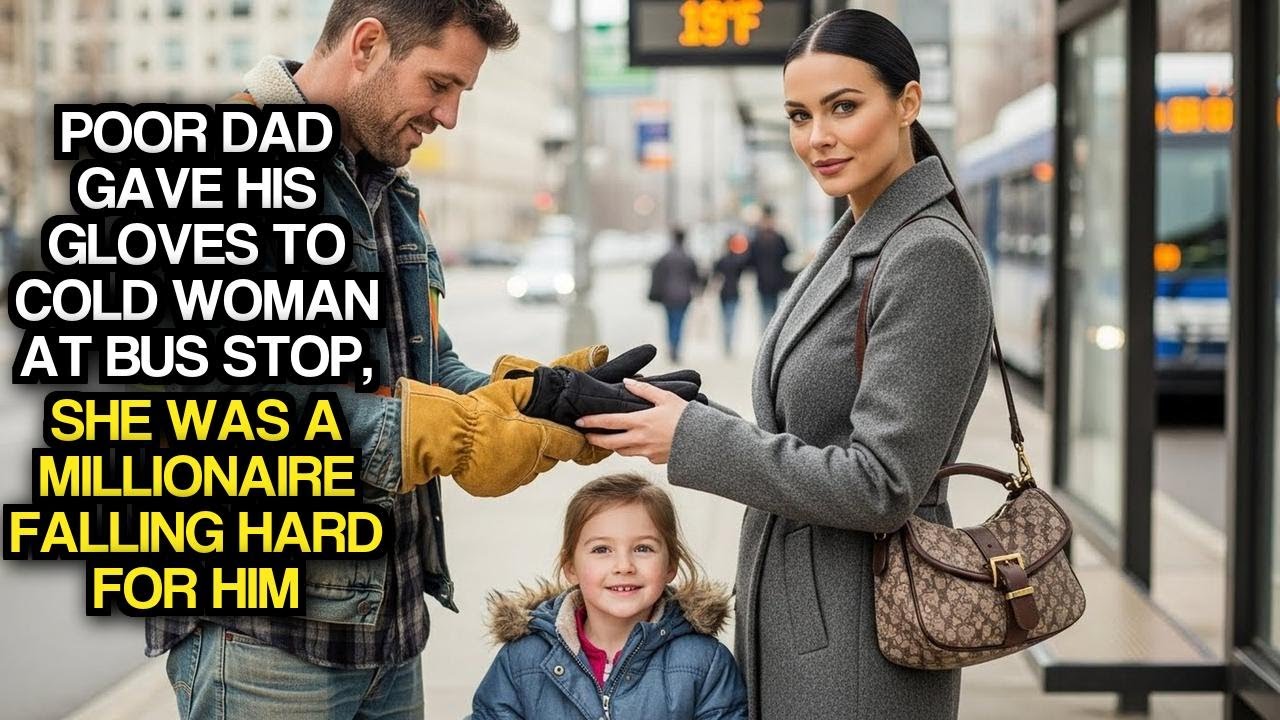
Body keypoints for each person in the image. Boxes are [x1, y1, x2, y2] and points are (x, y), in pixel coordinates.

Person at [146, 3, 669, 718]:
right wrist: (456, 434)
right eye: (439, 85)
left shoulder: (385, 187)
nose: (449, 117)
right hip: (268, 642)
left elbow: (426, 370)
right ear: (367, 45)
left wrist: (534, 397)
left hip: (384, 630)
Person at [578, 9, 994, 720]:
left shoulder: (927, 255)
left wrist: (695, 441)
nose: (817, 138)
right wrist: (676, 415)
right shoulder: (858, 234)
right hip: (815, 621)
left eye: (843, 107)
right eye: (800, 115)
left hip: (865, 640)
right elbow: (810, 435)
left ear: (908, 103)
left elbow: (882, 485)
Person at [471, 473, 748, 720]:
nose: (624, 565)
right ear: (571, 567)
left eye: (643, 548)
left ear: (670, 566)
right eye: (602, 550)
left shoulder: (705, 661)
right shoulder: (522, 659)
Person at [648, 227, 705, 362]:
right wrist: (700, 291)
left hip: (667, 296)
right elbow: (696, 277)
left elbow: (657, 277)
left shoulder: (665, 257)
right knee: (679, 322)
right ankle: (676, 348)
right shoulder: (688, 257)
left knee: (670, 322)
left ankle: (672, 346)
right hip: (683, 296)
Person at [746, 204, 792, 331]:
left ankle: (768, 334)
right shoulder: (776, 237)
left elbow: (750, 261)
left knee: (769, 309)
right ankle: (769, 333)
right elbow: (788, 253)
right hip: (770, 280)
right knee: (769, 310)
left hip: (769, 281)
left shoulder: (759, 239)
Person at [711, 232, 751, 355]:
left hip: (723, 292)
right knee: (731, 318)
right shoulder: (737, 260)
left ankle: (726, 343)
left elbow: (715, 276)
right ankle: (729, 344)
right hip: (734, 292)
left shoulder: (721, 260)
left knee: (725, 318)